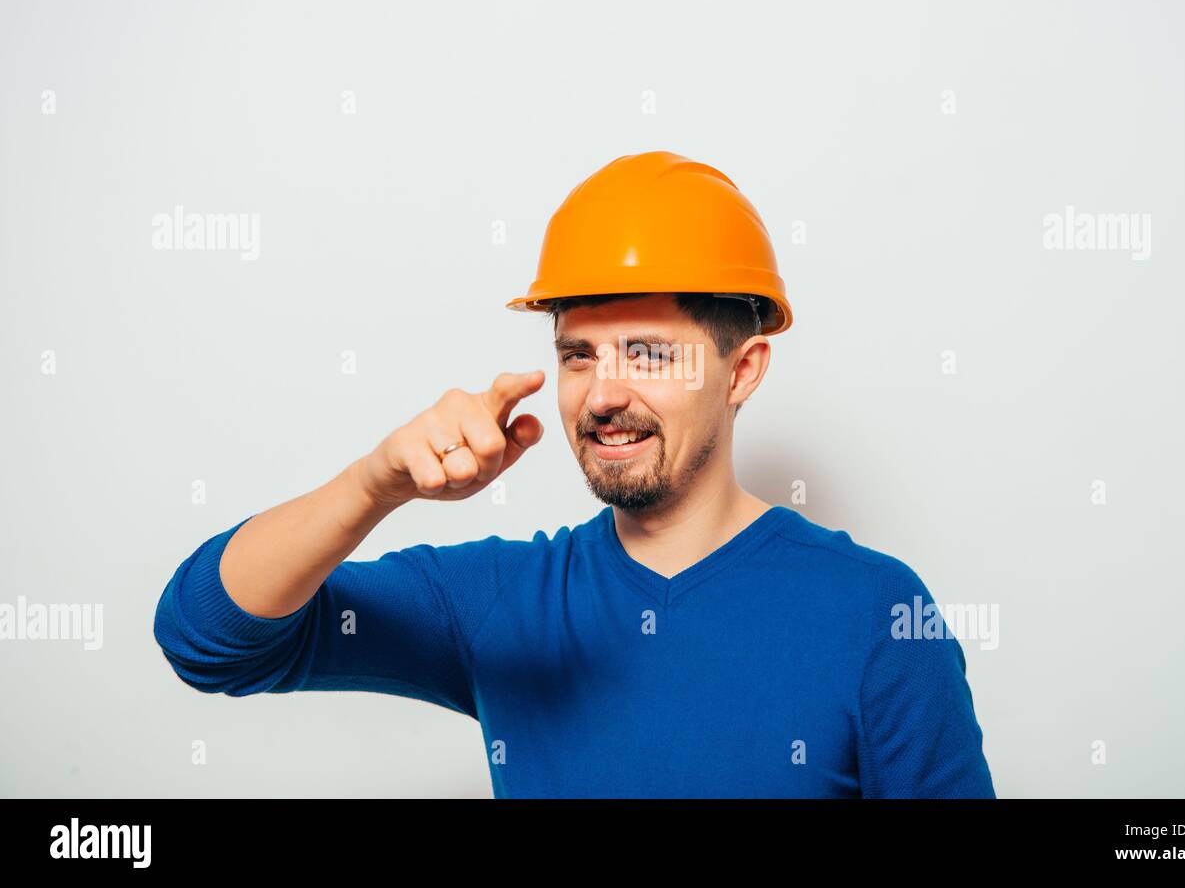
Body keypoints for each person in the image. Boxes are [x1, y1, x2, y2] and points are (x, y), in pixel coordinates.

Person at [153, 151, 996, 798]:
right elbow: (207, 635)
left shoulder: (876, 616)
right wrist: (376, 484)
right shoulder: (502, 602)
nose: (604, 393)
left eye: (649, 353)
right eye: (578, 355)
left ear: (742, 372)